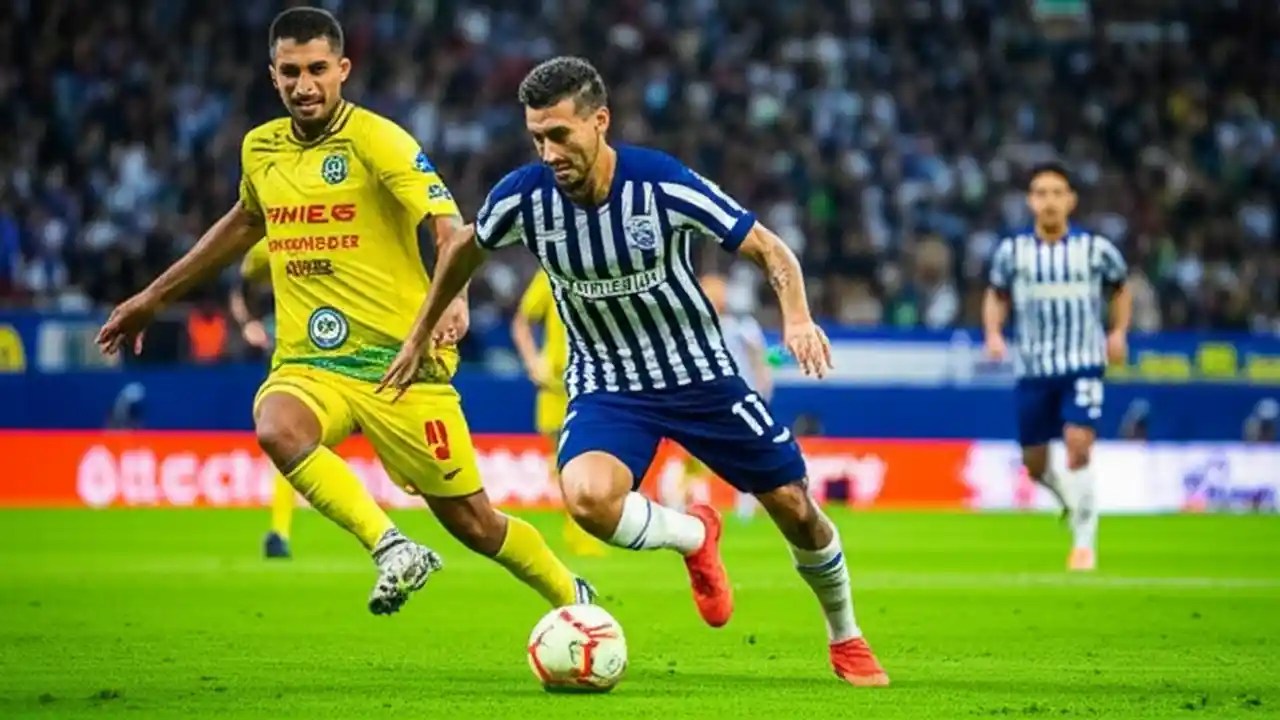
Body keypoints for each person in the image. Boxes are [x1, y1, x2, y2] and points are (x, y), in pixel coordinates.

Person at [380, 56, 888, 687]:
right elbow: (463, 248)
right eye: (537, 137)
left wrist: (798, 319)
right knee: (588, 499)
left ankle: (846, 635)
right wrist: (423, 328)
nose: (549, 152)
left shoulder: (660, 184)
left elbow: (767, 248)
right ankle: (694, 536)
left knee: (794, 505)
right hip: (608, 385)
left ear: (600, 122)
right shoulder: (524, 197)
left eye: (561, 135)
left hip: (700, 375)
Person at [97, 8, 593, 615]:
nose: (304, 85)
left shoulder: (377, 139)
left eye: (316, 70)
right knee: (276, 424)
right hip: (312, 363)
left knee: (477, 524)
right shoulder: (261, 149)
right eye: (290, 72)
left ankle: (572, 594)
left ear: (343, 69)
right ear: (272, 75)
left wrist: (454, 295)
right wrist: (153, 298)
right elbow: (242, 222)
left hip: (402, 364)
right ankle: (391, 548)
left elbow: (445, 223)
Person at [983, 162, 1132, 572]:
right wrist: (994, 334)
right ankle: (1070, 500)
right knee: (1034, 464)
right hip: (1032, 367)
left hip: (1082, 364)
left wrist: (1118, 332)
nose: (1049, 201)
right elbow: (996, 295)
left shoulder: (1095, 249)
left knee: (1078, 442)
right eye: (1041, 193)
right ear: (1031, 201)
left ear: (1070, 200)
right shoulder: (1013, 252)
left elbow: (1121, 287)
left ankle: (1084, 543)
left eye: (1056, 193)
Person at [512, 269, 609, 556]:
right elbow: (521, 322)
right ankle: (578, 530)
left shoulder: (602, 273)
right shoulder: (549, 275)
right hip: (555, 386)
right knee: (562, 464)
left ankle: (586, 528)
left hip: (593, 383)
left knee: (593, 459)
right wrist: (532, 362)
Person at [668, 273, 773, 521]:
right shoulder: (691, 327)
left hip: (740, 399)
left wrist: (762, 392)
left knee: (749, 453)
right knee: (692, 456)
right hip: (705, 400)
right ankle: (676, 503)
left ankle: (746, 508)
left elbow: (760, 361)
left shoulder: (742, 326)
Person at [230, 240, 296, 559]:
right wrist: (248, 325)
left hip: (345, 351)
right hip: (294, 358)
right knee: (289, 445)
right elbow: (238, 287)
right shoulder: (271, 244)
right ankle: (279, 532)